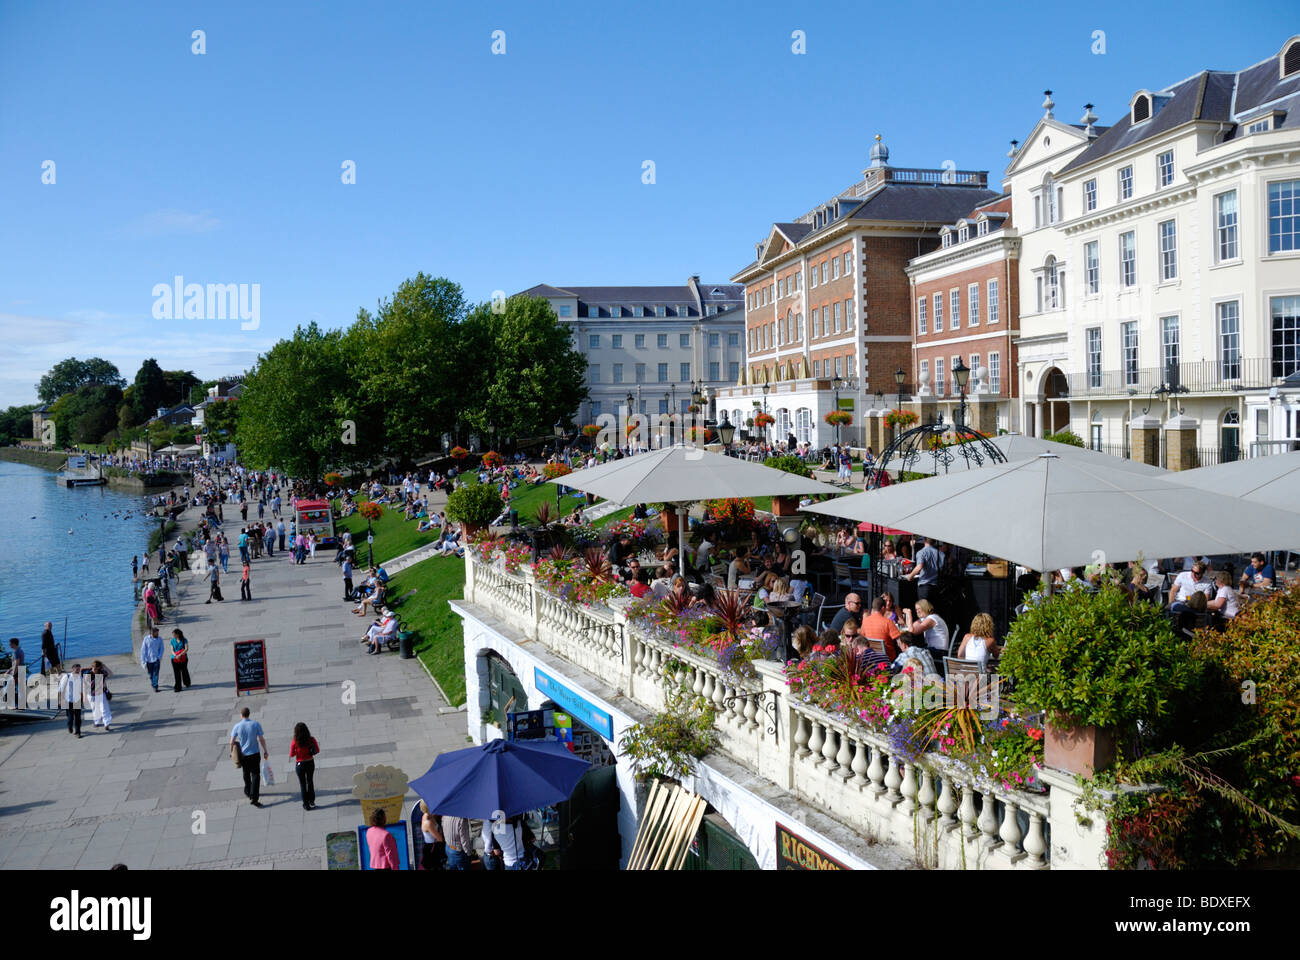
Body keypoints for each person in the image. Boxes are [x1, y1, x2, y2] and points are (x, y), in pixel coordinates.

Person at [230, 706, 269, 807]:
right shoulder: (255, 724)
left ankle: (248, 791)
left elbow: (232, 741)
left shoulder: (237, 726)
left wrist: (231, 752)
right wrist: (265, 750)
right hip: (255, 754)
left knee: (246, 773)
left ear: (241, 715)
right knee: (256, 775)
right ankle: (254, 797)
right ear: (249, 714)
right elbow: (261, 739)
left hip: (243, 755)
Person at [859, 595, 902, 661]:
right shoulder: (888, 622)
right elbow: (899, 641)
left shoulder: (865, 621)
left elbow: (862, 638)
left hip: (870, 657)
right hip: (887, 658)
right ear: (883, 608)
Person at [289, 722, 319, 810]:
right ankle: (312, 801)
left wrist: (297, 751)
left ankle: (306, 804)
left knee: (302, 784)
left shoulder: (295, 741)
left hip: (300, 764)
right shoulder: (311, 739)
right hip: (310, 762)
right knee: (310, 781)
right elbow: (317, 750)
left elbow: (291, 754)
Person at [905, 537, 943, 601]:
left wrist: (910, 576)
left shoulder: (921, 552)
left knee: (923, 609)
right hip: (936, 586)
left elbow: (919, 567)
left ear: (924, 540)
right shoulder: (941, 554)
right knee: (933, 609)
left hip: (925, 586)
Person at [58, 664, 84, 737]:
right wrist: (60, 700)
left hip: (77, 700)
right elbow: (61, 689)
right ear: (72, 669)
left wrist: (83, 699)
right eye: (76, 669)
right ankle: (69, 726)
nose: (78, 671)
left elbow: (82, 690)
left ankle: (77, 732)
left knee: (78, 717)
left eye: (79, 669)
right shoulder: (67, 677)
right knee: (70, 717)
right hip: (68, 700)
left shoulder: (80, 678)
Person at [88, 661, 112, 732]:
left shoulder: (102, 672)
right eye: (93, 667)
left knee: (104, 708)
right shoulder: (88, 673)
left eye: (96, 668)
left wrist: (105, 666)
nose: (94, 669)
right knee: (95, 709)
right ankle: (97, 722)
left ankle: (106, 724)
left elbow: (110, 674)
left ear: (99, 668)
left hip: (101, 693)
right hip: (91, 694)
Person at [140, 626, 164, 692]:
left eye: (158, 632)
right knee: (150, 674)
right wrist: (143, 660)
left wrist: (159, 657)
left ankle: (155, 686)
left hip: (156, 659)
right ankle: (153, 683)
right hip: (148, 660)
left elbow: (161, 648)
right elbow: (143, 650)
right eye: (156, 633)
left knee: (156, 673)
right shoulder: (146, 639)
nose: (157, 634)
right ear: (152, 633)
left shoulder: (160, 639)